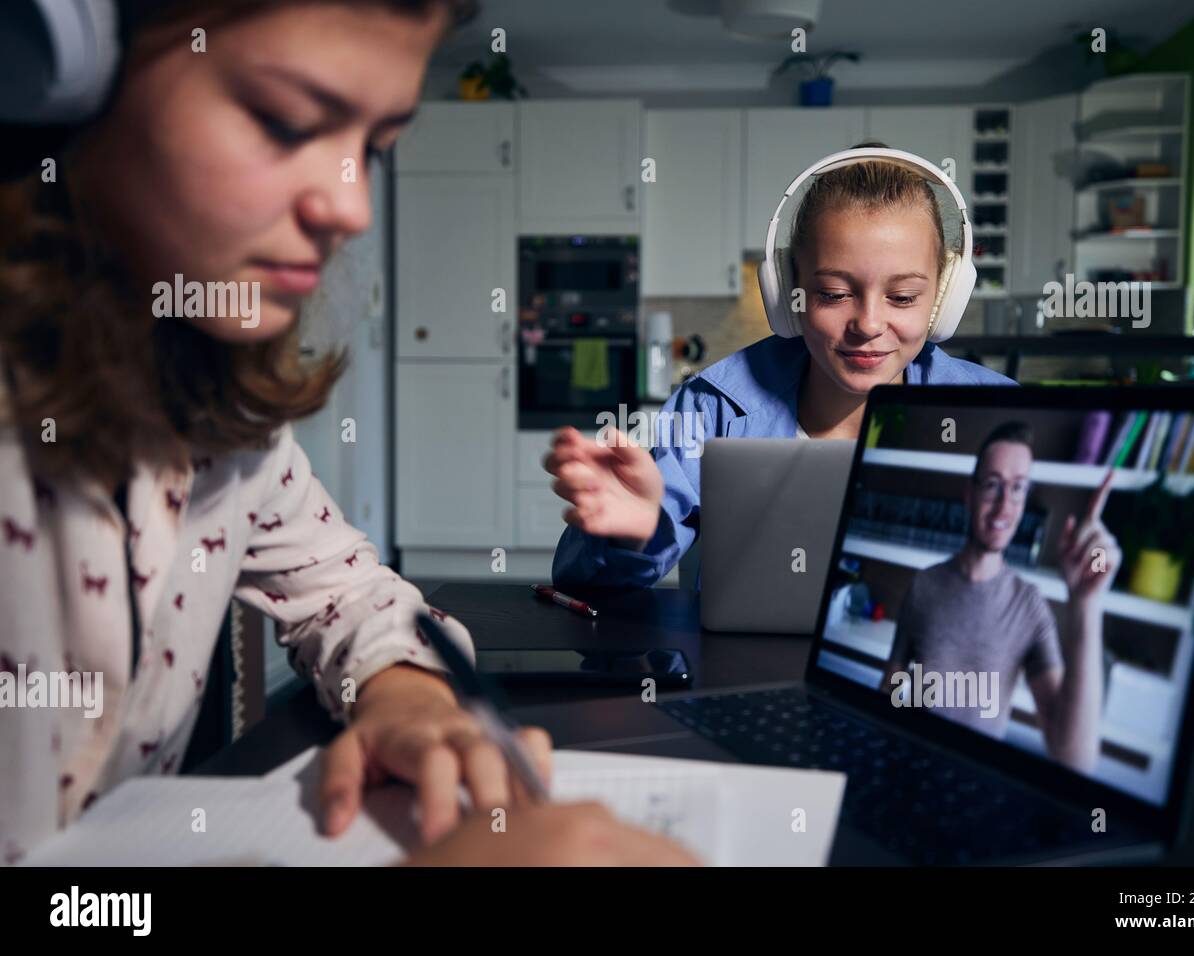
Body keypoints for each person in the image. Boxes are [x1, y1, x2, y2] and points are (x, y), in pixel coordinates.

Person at [0, 0, 693, 867]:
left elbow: (350, 592)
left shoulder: (220, 422)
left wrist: (409, 699)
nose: (351, 205)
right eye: (287, 123)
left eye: (373, 148)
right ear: (51, 78)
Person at [547, 145, 1015, 590]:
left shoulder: (1002, 415)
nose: (869, 324)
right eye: (833, 294)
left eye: (903, 297)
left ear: (944, 300)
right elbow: (584, 584)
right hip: (742, 672)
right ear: (787, 293)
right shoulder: (713, 408)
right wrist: (633, 536)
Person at [879, 422, 1119, 773]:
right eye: (993, 485)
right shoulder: (923, 585)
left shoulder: (1030, 606)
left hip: (977, 784)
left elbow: (1075, 759)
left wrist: (1086, 603)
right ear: (970, 493)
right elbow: (892, 685)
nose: (1005, 505)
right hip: (910, 767)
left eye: (1018, 488)